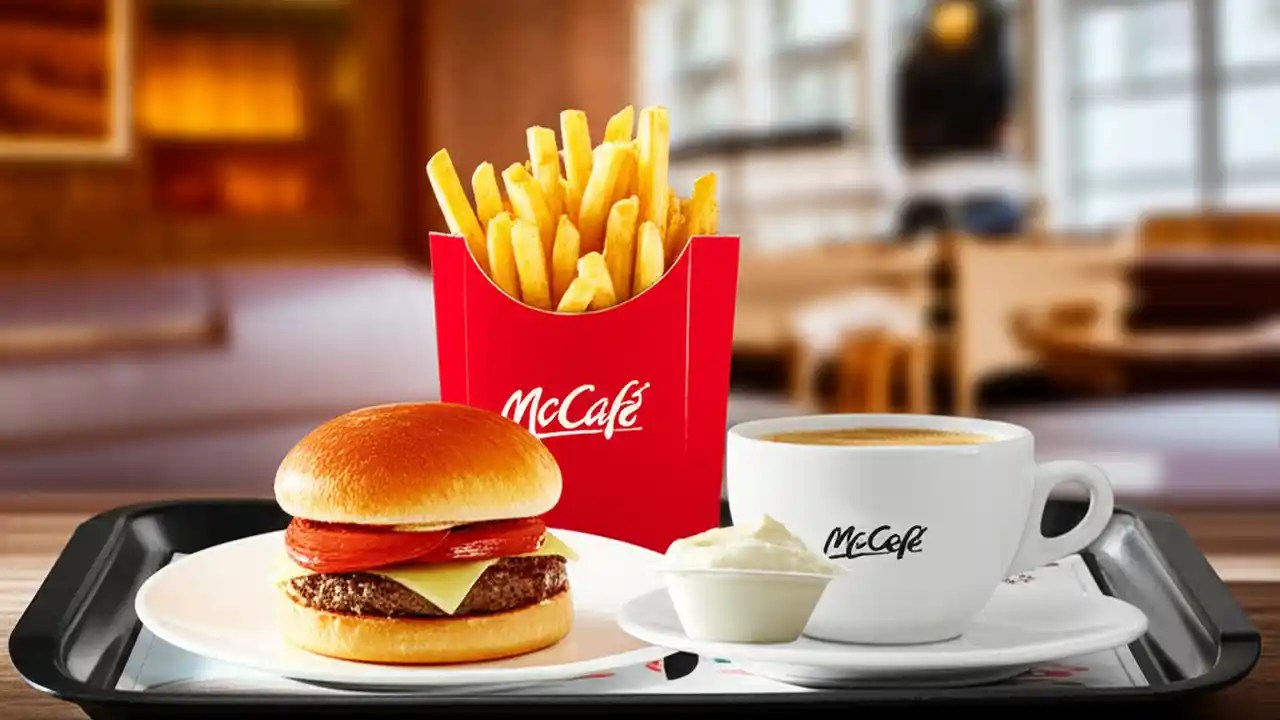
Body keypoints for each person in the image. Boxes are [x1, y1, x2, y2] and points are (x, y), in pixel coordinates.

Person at [893, 0, 1033, 240]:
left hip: (927, 196)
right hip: (982, 194)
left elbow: (909, 137)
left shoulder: (922, 49)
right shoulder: (988, 26)